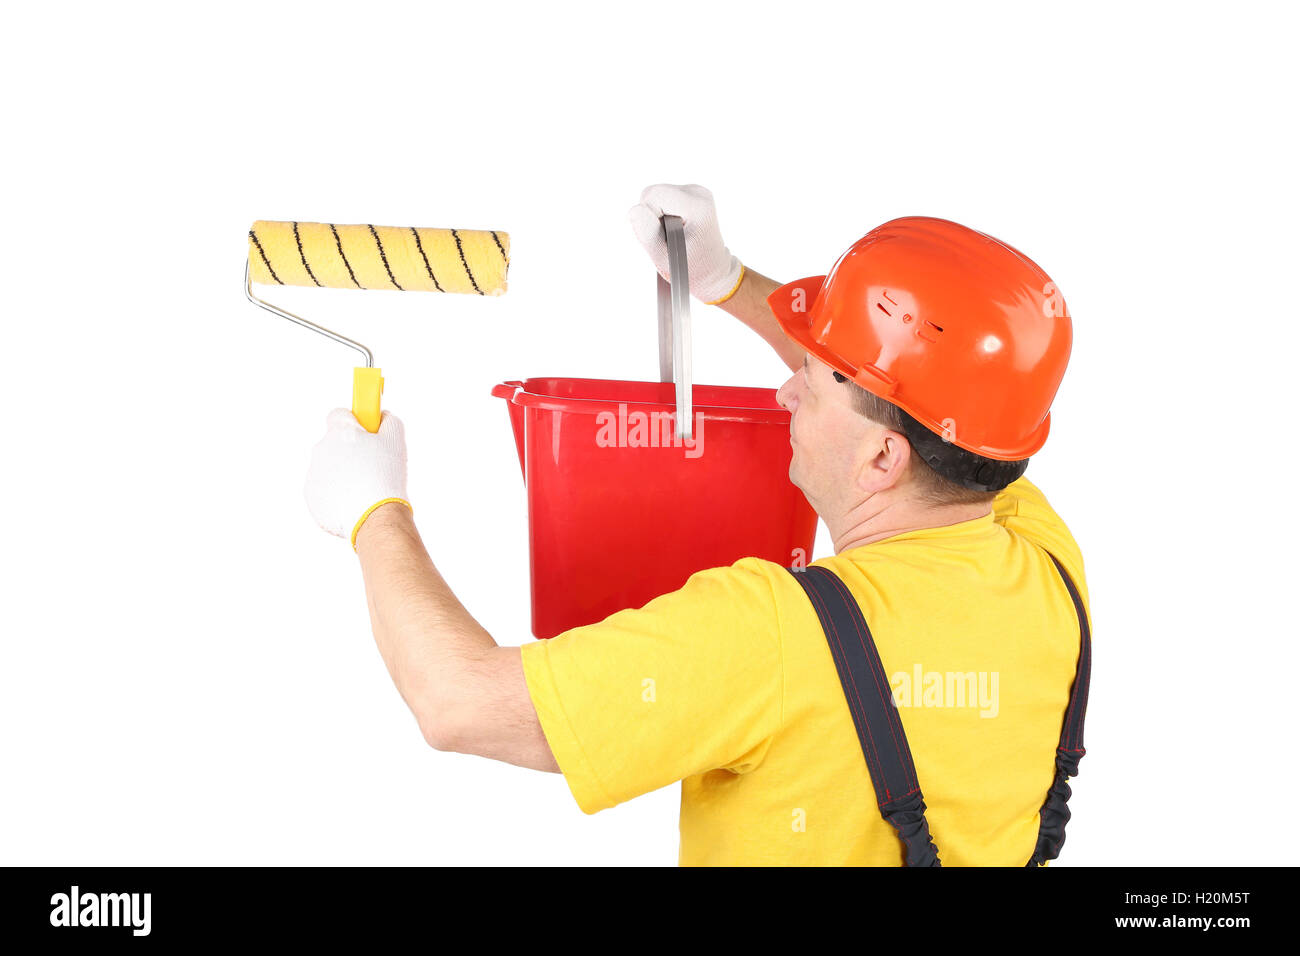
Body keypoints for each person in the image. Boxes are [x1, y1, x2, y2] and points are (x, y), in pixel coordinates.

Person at [303, 184, 1089, 866]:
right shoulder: (1044, 559)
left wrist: (376, 510)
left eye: (806, 382)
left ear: (883, 460)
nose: (785, 394)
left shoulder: (773, 634)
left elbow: (459, 703)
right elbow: (927, 404)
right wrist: (729, 282)